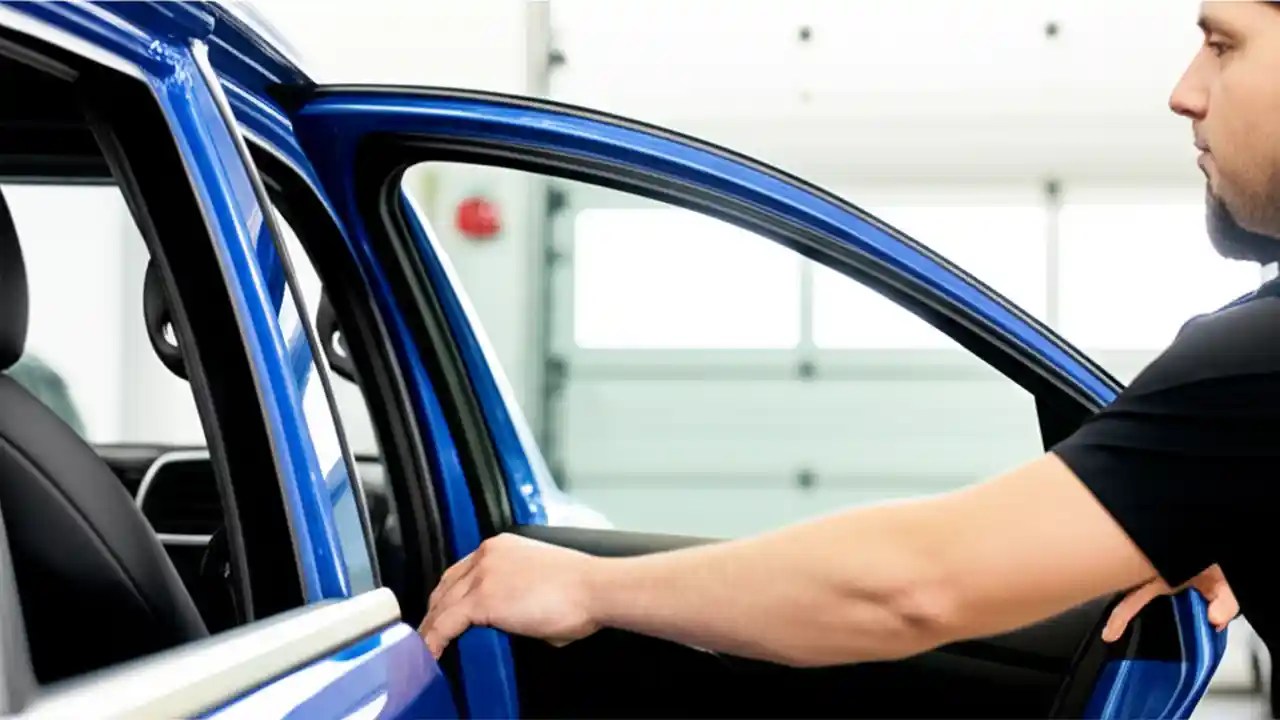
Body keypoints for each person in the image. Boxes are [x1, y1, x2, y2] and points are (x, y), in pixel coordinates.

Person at [420, 0, 1279, 677]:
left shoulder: (1256, 359)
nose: (1185, 89)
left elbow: (911, 584)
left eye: (1224, 45)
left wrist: (585, 584)